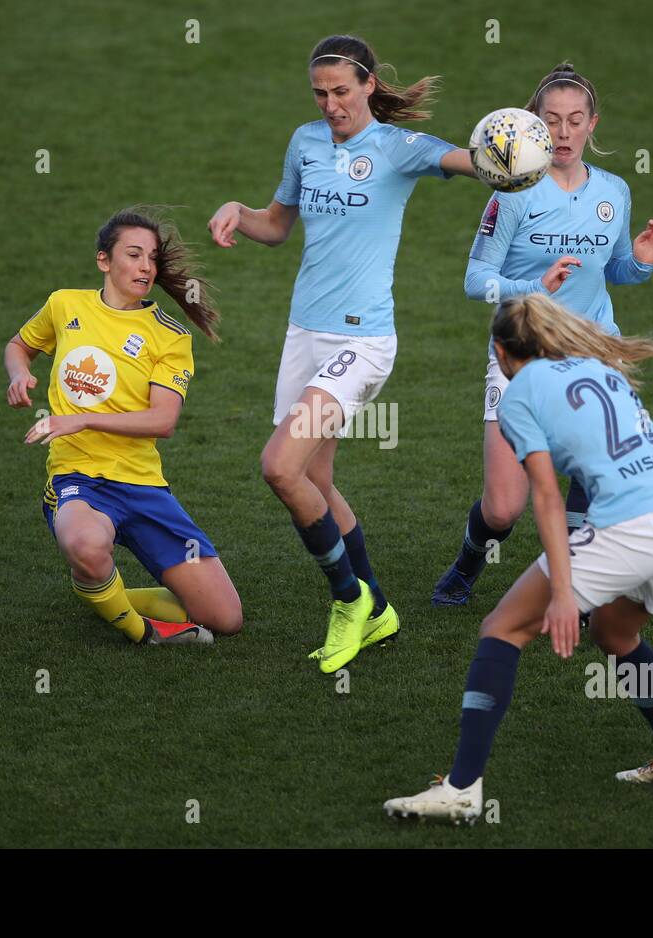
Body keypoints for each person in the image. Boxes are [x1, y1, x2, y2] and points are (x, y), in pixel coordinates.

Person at [385, 294, 653, 823]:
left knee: (502, 628)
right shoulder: (599, 369)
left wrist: (565, 595)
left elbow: (546, 496)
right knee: (616, 635)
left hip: (633, 527)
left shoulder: (519, 394)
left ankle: (460, 788)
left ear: (501, 351)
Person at [208, 34, 482, 672]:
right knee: (313, 478)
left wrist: (515, 156)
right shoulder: (305, 143)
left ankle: (347, 599)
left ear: (367, 85)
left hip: (361, 341)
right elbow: (277, 226)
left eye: (340, 91)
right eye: (320, 92)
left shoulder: (397, 148)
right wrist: (235, 212)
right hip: (304, 334)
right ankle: (378, 607)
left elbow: (471, 162)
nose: (330, 104)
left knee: (279, 467)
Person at [432, 62, 653, 607]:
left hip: (593, 350)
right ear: (534, 124)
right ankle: (470, 561)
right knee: (502, 508)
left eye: (575, 120)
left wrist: (641, 261)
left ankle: (576, 588)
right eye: (552, 120)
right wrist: (532, 285)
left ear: (592, 125)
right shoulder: (512, 193)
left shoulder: (614, 190)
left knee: (593, 475)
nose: (563, 132)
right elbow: (475, 281)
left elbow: (614, 273)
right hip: (521, 353)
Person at [4, 207, 243, 645]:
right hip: (79, 479)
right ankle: (145, 632)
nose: (146, 267)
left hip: (143, 486)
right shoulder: (65, 305)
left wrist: (81, 418)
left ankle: (103, 595)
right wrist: (19, 374)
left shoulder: (170, 336)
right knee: (85, 545)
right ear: (104, 261)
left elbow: (163, 420)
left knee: (226, 619)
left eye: (151, 258)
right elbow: (20, 345)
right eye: (133, 255)